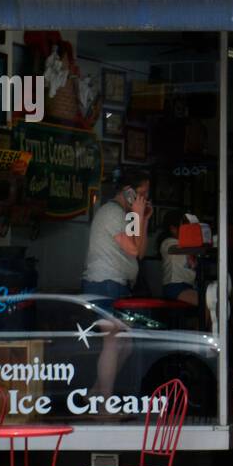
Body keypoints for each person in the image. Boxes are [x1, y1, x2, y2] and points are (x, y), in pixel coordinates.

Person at [81, 170, 152, 397]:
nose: (144, 199)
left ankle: (95, 394)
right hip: (104, 283)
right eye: (141, 194)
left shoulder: (128, 215)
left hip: (119, 284)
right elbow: (131, 248)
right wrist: (138, 215)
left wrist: (143, 218)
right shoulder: (111, 212)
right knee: (112, 342)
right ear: (128, 191)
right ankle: (103, 403)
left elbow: (138, 252)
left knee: (126, 345)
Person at [158, 211, 199, 306]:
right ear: (173, 229)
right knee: (206, 302)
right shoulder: (168, 242)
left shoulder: (188, 244)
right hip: (175, 286)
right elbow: (175, 249)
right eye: (186, 227)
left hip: (189, 286)